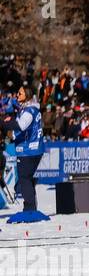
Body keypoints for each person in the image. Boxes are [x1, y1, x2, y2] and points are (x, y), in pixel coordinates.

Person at [1, 85, 50, 223]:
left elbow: (21, 126)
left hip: (29, 151)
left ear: (27, 95)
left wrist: (4, 123)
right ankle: (31, 208)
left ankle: (29, 209)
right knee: (27, 179)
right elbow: (20, 130)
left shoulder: (29, 110)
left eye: (20, 93)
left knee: (24, 179)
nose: (17, 95)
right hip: (32, 149)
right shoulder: (27, 109)